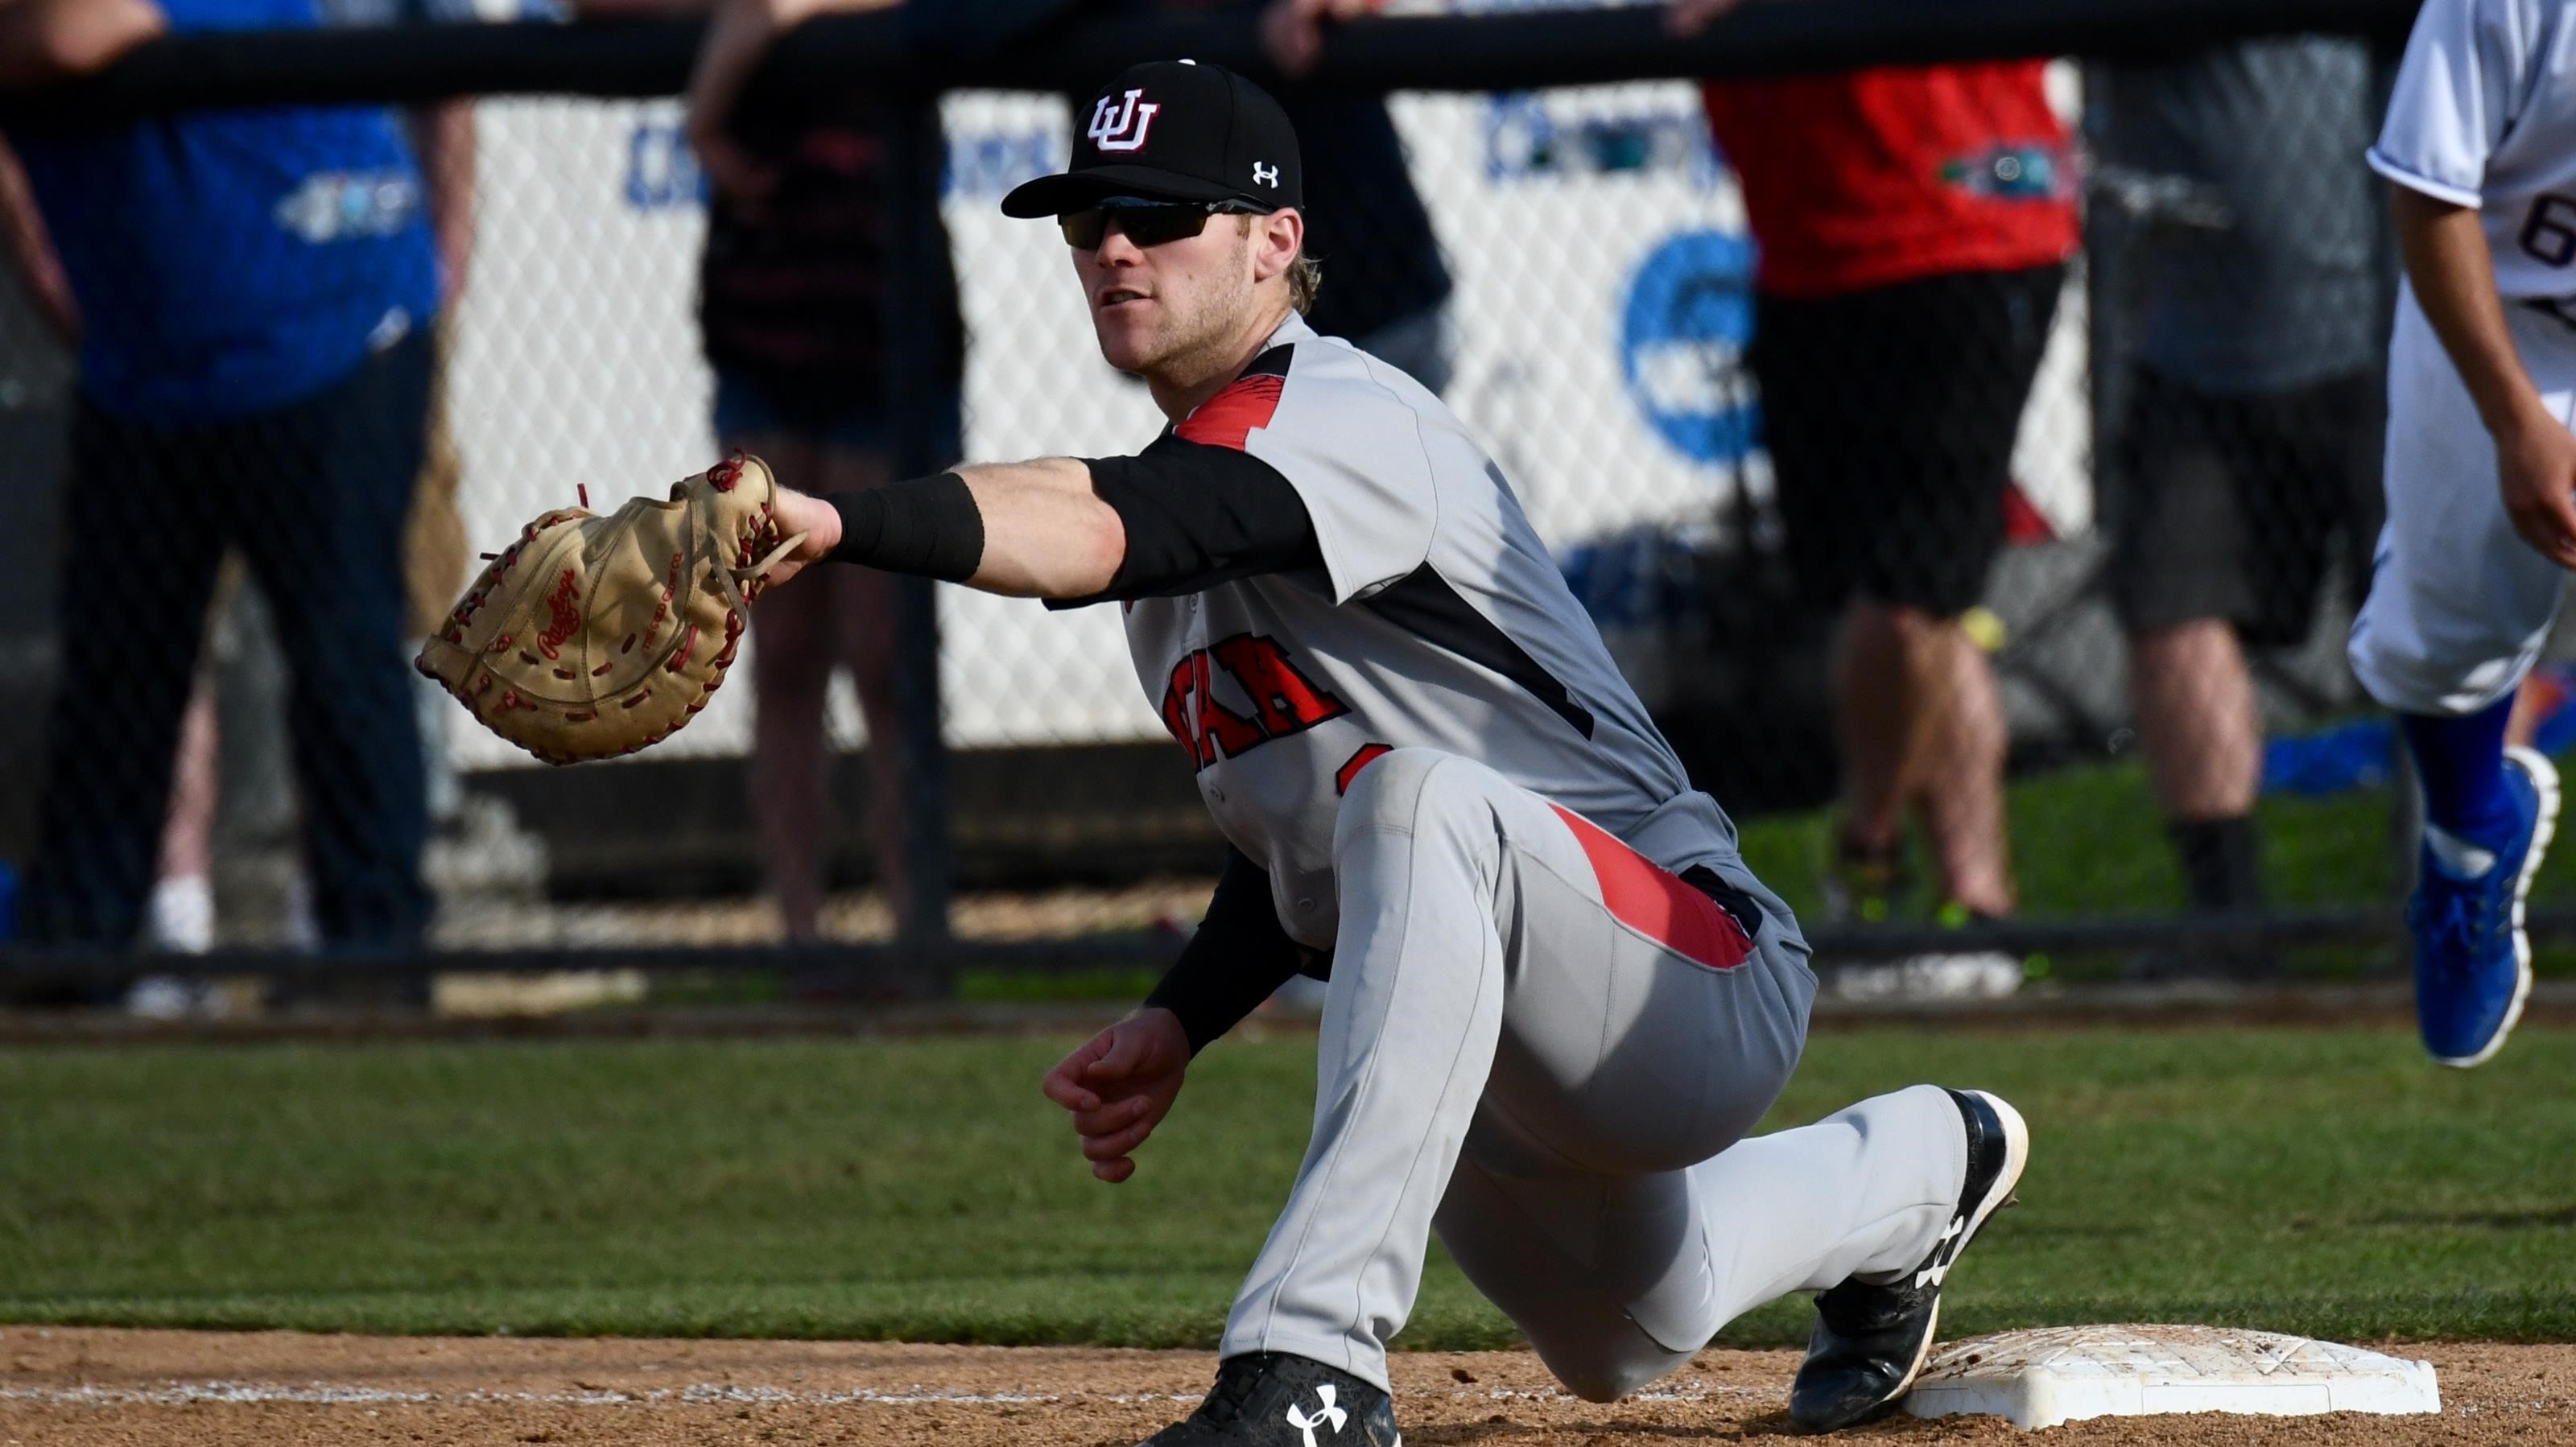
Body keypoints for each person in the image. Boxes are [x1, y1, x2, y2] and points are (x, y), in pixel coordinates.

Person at [754, 60, 2029, 1442]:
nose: (1115, 245)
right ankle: (1925, 1164)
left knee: (1414, 789)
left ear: (1275, 241)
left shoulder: (1350, 415)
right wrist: (1180, 1015)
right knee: (1631, 1330)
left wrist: (836, 519)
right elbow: (1294, 841)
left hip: (1687, 969)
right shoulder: (1177, 573)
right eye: (1088, 220)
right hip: (1488, 1015)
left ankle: (1313, 1359)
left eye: (1161, 213)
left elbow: (1111, 518)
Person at [0, 0, 440, 954]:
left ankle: (374, 950)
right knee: (119, 669)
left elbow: (60, 34)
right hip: (149, 359)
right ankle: (83, 951)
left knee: (337, 651)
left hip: (328, 323)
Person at [1676, 0, 2079, 996]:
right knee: (1909, 610)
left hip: (1970, 225)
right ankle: (1974, 915)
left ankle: (1866, 851)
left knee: (1907, 604)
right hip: (1810, 248)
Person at [586, 0, 966, 944]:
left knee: (888, 654)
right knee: (785, 651)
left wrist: (713, 99)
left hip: (888, 329)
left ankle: (917, 935)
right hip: (765, 328)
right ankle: (802, 937)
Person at [2092, 40, 2383, 958]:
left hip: (2389, 338)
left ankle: (2455, 894)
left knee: (2444, 617)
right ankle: (2226, 915)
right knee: (2169, 608)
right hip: (2198, 358)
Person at [2346, 0, 2576, 1067]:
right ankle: (2470, 833)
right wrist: (2515, 421)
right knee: (2440, 647)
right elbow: (2429, 190)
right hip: (2504, 318)